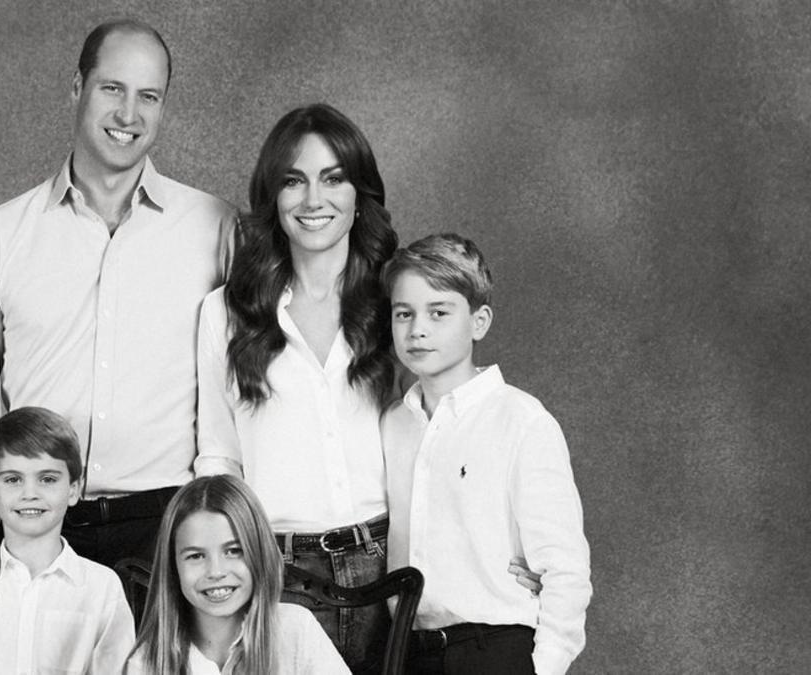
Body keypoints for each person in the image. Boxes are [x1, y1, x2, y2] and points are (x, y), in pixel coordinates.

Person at [0, 19, 235, 614]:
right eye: (112, 89)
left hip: (168, 533)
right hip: (37, 527)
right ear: (76, 89)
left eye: (149, 96)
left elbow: (251, 388)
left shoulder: (216, 229)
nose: (129, 114)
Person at [195, 103, 398, 672]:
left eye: (334, 179)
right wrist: (226, 564)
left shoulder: (395, 304)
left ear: (360, 197)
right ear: (273, 197)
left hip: (390, 566)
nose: (314, 200)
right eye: (294, 181)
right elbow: (218, 457)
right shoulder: (226, 313)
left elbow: (441, 431)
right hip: (278, 571)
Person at [380, 234, 592, 675]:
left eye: (439, 313)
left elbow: (564, 567)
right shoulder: (392, 426)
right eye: (404, 314)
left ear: (479, 322)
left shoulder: (521, 421)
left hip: (491, 647)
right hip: (407, 651)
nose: (418, 329)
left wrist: (543, 666)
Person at [0, 407, 135, 674]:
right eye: (13, 479)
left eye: (47, 479)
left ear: (74, 489)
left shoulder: (102, 587)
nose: (30, 493)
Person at [124, 474, 348, 675]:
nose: (216, 572)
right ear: (173, 567)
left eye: (233, 551)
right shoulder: (146, 663)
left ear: (258, 554)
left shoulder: (296, 630)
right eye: (196, 556)